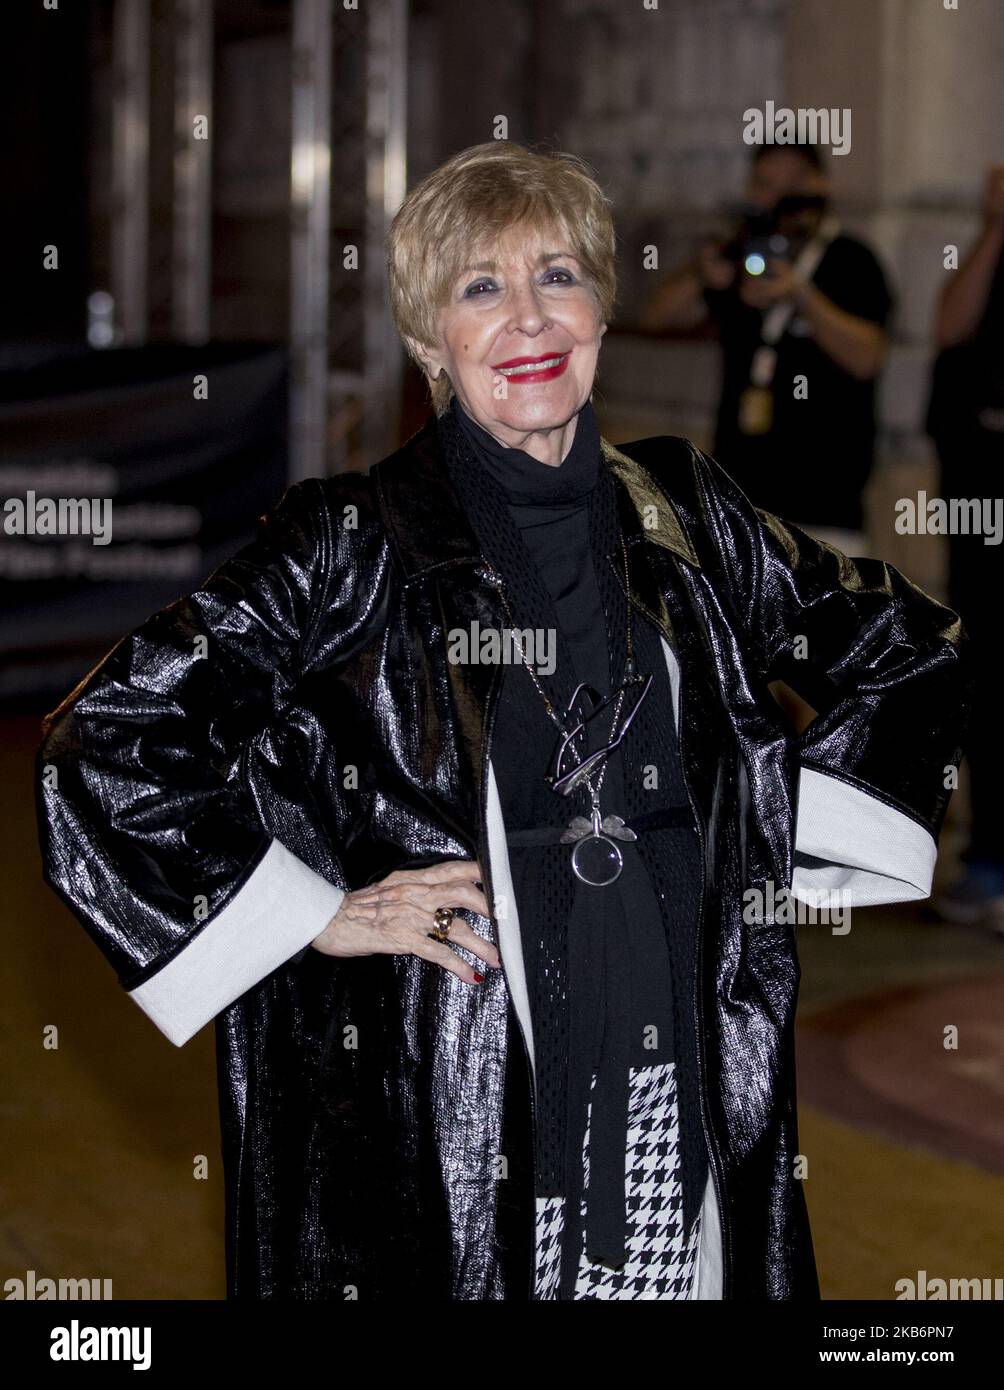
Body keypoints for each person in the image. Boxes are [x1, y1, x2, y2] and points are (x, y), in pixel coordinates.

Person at [36, 140, 970, 1301]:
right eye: (481, 286)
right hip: (459, 1086)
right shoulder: (350, 542)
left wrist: (766, 828)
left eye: (559, 276)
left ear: (601, 312)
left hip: (673, 1048)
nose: (528, 317)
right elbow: (112, 736)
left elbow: (912, 649)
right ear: (429, 339)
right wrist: (312, 912)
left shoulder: (683, 507)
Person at [642, 143, 894, 557]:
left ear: (818, 188)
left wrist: (801, 295)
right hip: (740, 504)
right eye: (764, 185)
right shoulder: (743, 254)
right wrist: (702, 272)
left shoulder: (851, 260)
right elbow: (657, 316)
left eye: (792, 185)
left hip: (825, 504)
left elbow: (867, 357)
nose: (777, 198)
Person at [927, 164, 1004, 931]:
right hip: (984, 521)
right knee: (982, 682)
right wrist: (996, 227)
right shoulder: (988, 253)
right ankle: (986, 860)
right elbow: (948, 326)